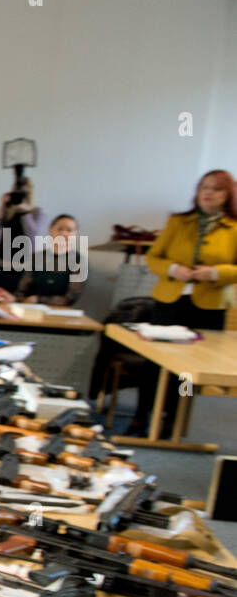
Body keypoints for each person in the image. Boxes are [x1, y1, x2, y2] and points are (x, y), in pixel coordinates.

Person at [127, 170, 237, 436]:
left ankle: (172, 421)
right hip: (170, 299)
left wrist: (215, 273)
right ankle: (142, 416)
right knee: (154, 362)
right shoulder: (179, 222)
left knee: (187, 371)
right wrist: (173, 269)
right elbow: (154, 257)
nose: (208, 193)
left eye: (216, 189)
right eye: (204, 187)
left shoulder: (234, 228)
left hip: (209, 305)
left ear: (228, 195)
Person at [0, 214, 84, 306]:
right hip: (30, 311)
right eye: (60, 229)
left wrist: (38, 300)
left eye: (69, 230)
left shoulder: (78, 261)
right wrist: (12, 299)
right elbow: (22, 290)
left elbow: (70, 298)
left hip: (59, 314)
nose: (64, 233)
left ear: (75, 234)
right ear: (50, 230)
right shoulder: (36, 257)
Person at [0, 178, 47, 301]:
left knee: (15, 306)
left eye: (24, 193)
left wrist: (25, 212)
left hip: (22, 271)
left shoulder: (38, 212)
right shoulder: (8, 211)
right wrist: (2, 205)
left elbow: (33, 234)